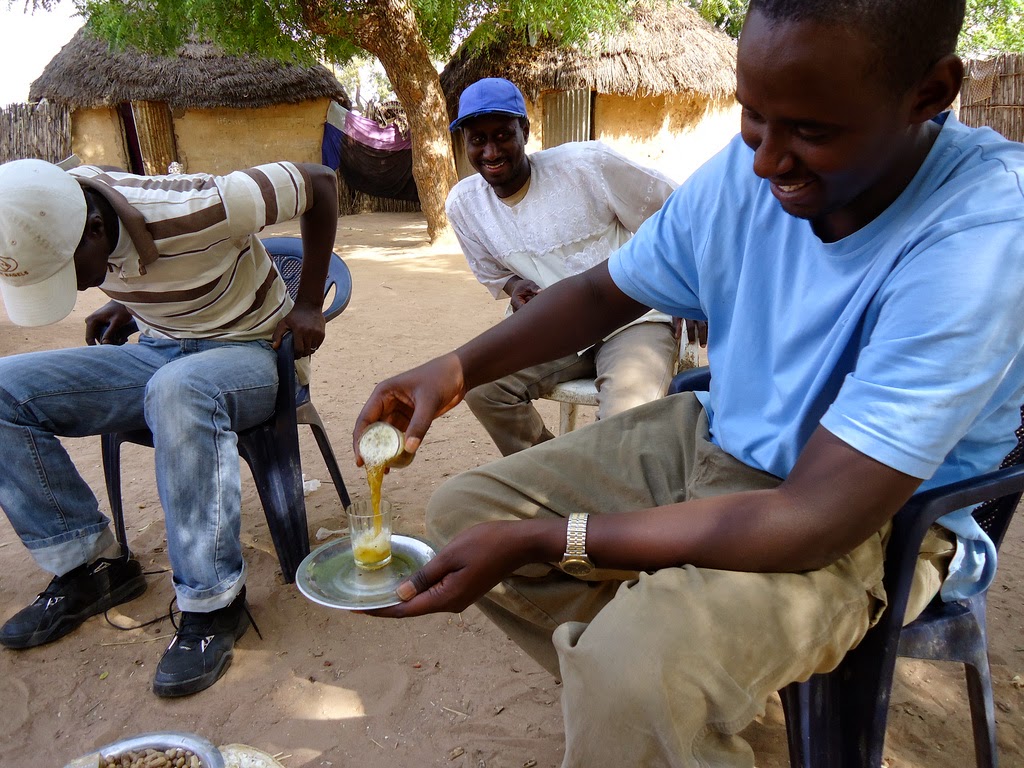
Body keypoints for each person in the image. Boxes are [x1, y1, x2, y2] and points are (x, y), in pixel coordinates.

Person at [353, 1, 1024, 765]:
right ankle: (668, 701)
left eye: (812, 130)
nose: (766, 161)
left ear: (930, 95)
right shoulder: (748, 175)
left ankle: (646, 686)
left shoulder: (981, 233)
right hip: (715, 432)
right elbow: (604, 292)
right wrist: (456, 368)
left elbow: (814, 519)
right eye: (753, 116)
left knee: (630, 671)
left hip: (873, 514)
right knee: (462, 511)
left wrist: (553, 538)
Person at [0, 157, 339, 697]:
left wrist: (309, 303)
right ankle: (92, 567)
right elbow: (144, 260)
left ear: (93, 229)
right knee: (4, 387)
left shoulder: (206, 204)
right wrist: (126, 305)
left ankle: (213, 604)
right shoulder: (63, 203)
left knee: (181, 389)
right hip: (159, 350)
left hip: (255, 352)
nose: (77, 290)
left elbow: (320, 182)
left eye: (68, 273)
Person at [446, 78, 681, 455]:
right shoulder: (464, 205)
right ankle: (553, 477)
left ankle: (603, 489)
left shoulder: (586, 165)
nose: (491, 151)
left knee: (627, 418)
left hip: (632, 317)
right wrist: (514, 286)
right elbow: (496, 273)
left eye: (503, 135)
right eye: (478, 140)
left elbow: (678, 213)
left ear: (525, 129)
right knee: (481, 389)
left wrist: (694, 285)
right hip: (554, 324)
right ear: (465, 143)